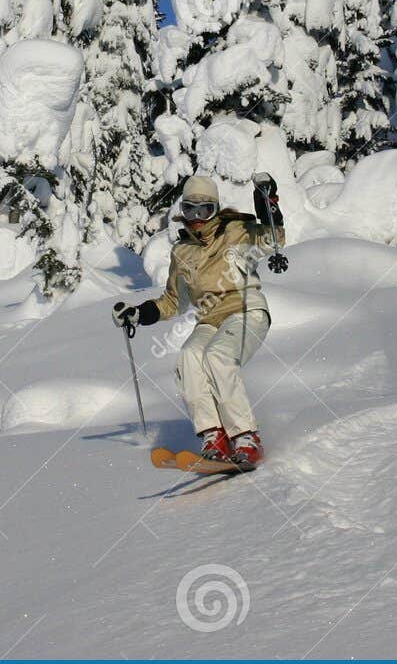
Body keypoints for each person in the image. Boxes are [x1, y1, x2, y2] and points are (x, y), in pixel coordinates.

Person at [114, 173, 284, 467]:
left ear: (215, 209)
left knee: (217, 358)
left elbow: (274, 238)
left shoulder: (236, 231)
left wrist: (267, 202)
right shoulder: (182, 251)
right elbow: (172, 301)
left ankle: (245, 437)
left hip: (246, 310)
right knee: (190, 357)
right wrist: (139, 313)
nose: (197, 218)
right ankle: (213, 435)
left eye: (204, 210)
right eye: (190, 209)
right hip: (210, 319)